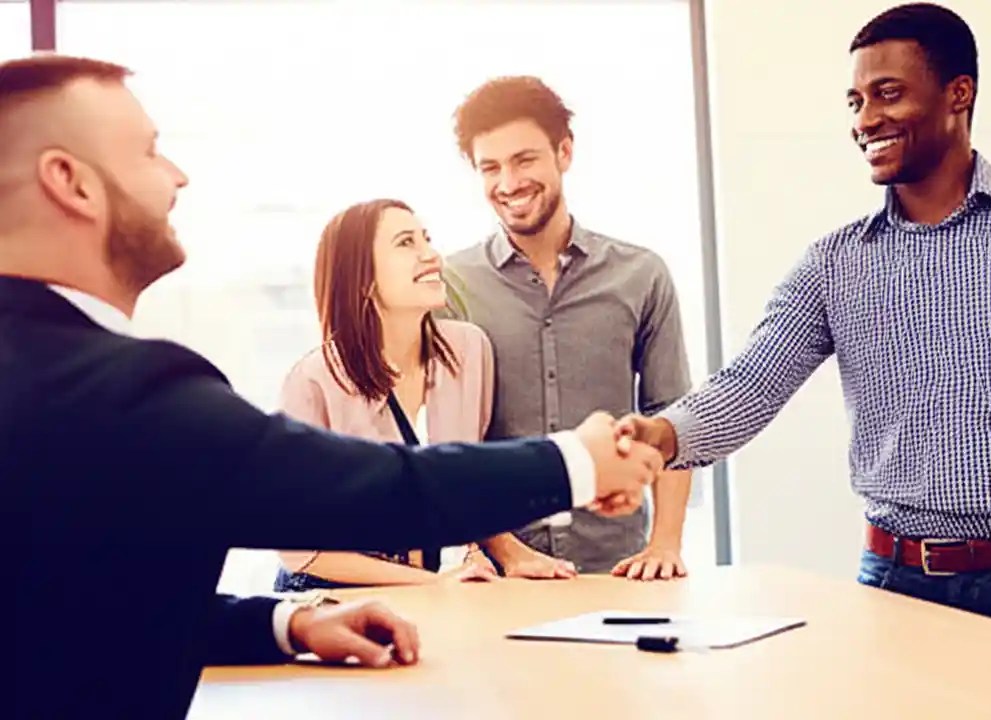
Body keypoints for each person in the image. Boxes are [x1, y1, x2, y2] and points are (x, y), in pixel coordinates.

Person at [0, 55, 660, 719]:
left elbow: (80, 601)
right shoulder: (115, 389)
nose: (178, 175)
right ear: (70, 182)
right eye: (149, 152)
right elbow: (376, 488)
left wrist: (285, 625)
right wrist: (580, 459)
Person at [618, 2, 991, 661]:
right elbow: (749, 386)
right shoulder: (834, 262)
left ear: (958, 94)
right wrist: (661, 436)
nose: (865, 119)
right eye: (856, 100)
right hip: (891, 587)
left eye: (888, 94)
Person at [447, 76, 696, 580]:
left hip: (616, 568)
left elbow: (671, 416)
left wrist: (665, 544)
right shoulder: (452, 285)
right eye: (489, 167)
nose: (509, 183)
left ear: (564, 151)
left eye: (524, 160)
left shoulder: (641, 274)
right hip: (501, 576)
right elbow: (448, 440)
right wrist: (509, 553)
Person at [275, 198, 575, 590]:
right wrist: (431, 582)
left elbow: (466, 481)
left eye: (427, 239)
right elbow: (301, 550)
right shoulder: (313, 381)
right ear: (362, 278)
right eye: (406, 243)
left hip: (448, 581)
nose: (431, 255)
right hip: (334, 591)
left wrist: (504, 554)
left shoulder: (469, 351)